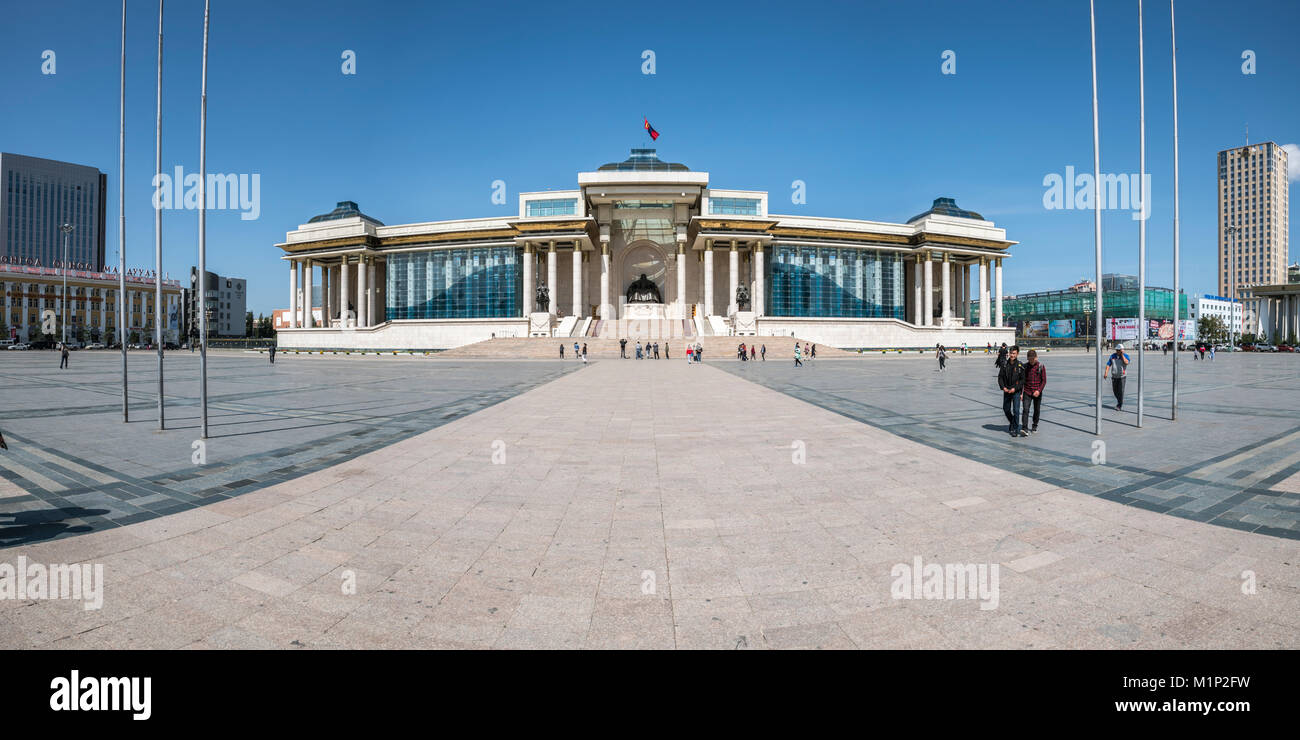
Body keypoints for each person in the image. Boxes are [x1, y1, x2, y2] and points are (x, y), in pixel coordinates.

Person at [997, 344, 1027, 436]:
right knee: (1006, 409)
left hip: (1016, 391)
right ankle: (1013, 423)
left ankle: (1015, 429)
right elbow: (1000, 377)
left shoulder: (1020, 365)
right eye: (1011, 353)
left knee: (1016, 410)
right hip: (1007, 391)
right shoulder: (1005, 364)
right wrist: (1003, 387)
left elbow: (1022, 380)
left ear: (1017, 354)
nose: (1012, 355)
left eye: (1014, 353)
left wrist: (1015, 389)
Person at [1022, 349, 1046, 434]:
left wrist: (1039, 391)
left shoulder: (1041, 366)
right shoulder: (1024, 367)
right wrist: (1021, 393)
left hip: (1037, 392)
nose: (1031, 362)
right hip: (1027, 391)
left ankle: (1034, 425)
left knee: (1037, 410)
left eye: (1033, 360)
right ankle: (1024, 428)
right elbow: (1022, 381)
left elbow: (1044, 381)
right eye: (1029, 360)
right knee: (1025, 409)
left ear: (1036, 357)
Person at [1103, 342, 1130, 410]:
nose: (1118, 351)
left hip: (1122, 376)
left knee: (1120, 391)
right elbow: (1108, 364)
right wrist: (1106, 373)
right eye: (1117, 350)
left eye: (1119, 350)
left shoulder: (1125, 356)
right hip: (1114, 376)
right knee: (1115, 391)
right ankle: (1120, 400)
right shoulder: (1113, 356)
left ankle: (1119, 405)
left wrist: (1122, 355)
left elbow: (1126, 362)